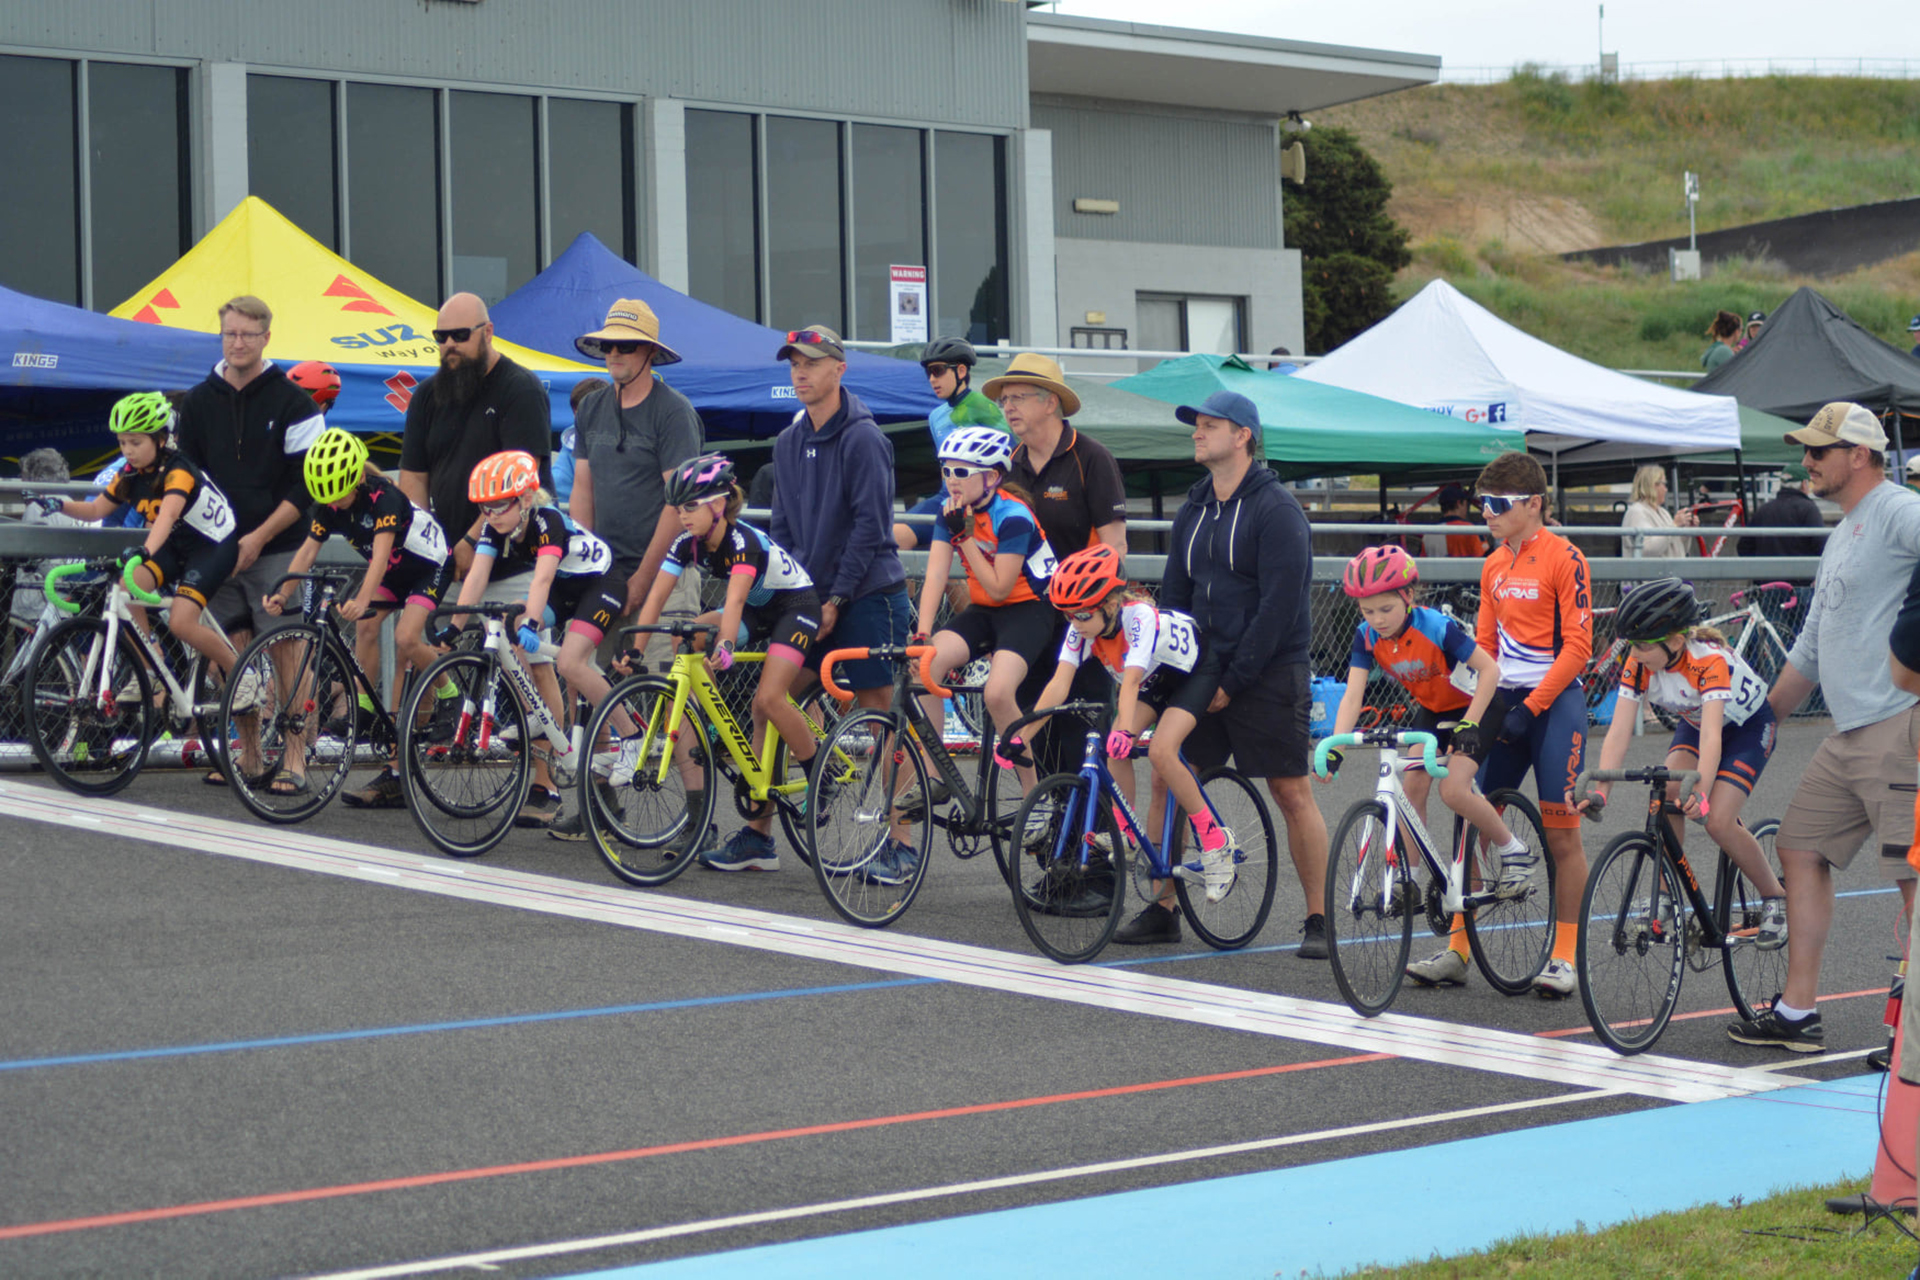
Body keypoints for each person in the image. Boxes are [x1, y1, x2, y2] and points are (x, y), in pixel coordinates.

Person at [1728, 402, 1920, 1053]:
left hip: (1899, 725)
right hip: (1849, 733)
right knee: (1800, 848)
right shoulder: (1842, 530)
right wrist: (1762, 717)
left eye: (1818, 451)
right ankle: (1795, 1013)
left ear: (1859, 454)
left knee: (1912, 877)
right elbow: (1811, 643)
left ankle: (1916, 1036)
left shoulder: (1897, 510)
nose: (1806, 462)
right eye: (1806, 450)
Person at [1157, 390, 1330, 957]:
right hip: (1203, 667)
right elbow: (1176, 594)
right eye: (1196, 425)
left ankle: (1318, 920)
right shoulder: (1193, 507)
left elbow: (1279, 608)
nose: (1197, 434)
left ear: (1243, 436)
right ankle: (1162, 906)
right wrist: (1173, 666)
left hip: (1269, 670)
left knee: (1290, 790)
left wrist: (1235, 680)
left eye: (1209, 426)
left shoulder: (1277, 510)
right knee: (1172, 772)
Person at [1321, 546, 1529, 986]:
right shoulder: (1365, 636)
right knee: (1411, 782)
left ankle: (1514, 851)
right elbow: (1353, 694)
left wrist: (1471, 723)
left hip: (1479, 703)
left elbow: (1489, 671)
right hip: (1433, 711)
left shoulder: (1436, 627)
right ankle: (1410, 879)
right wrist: (1335, 743)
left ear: (1409, 596)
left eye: (1385, 608)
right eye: (1366, 610)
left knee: (1453, 790)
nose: (1376, 618)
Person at [399, 292, 566, 825]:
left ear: (487, 332)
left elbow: (526, 478)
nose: (448, 346)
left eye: (459, 336)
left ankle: (544, 781)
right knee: (413, 642)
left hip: (513, 554)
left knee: (530, 664)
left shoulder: (519, 389)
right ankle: (407, 760)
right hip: (444, 553)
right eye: (440, 337)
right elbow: (412, 476)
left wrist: (474, 537)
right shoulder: (428, 394)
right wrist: (419, 535)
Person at [633, 454, 824, 873]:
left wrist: (725, 645)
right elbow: (655, 598)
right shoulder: (687, 542)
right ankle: (706, 725)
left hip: (795, 606)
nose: (682, 516)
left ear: (718, 505)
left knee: (769, 701)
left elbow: (734, 600)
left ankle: (819, 773)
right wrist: (636, 647)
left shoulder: (743, 541)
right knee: (688, 634)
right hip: (758, 612)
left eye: (690, 506)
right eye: (678, 507)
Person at [555, 303, 704, 841]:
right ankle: (601, 802)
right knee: (587, 677)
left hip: (666, 566)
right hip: (606, 567)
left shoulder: (673, 411)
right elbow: (583, 489)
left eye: (625, 346)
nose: (613, 354)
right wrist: (579, 561)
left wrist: (644, 579)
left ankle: (697, 815)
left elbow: (679, 501)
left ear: (648, 354)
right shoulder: (592, 408)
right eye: (608, 346)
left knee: (669, 692)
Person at [1577, 577, 1789, 947]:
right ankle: (1664, 898)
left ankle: (1776, 897)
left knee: (1719, 820)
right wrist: (1601, 790)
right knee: (1669, 788)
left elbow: (1712, 739)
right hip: (1697, 724)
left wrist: (1702, 793)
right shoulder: (1640, 661)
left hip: (1746, 728)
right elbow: (1619, 731)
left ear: (1675, 640)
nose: (1634, 652)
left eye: (1642, 644)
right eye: (1630, 643)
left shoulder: (1706, 661)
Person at [1030, 543, 1225, 943]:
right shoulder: (1082, 625)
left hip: (1192, 673)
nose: (1076, 622)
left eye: (1083, 613)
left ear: (1112, 603)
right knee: (1108, 747)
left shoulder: (1139, 618)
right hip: (1154, 682)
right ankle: (1127, 832)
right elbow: (1059, 684)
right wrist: (1019, 735)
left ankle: (1214, 838)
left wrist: (1124, 728)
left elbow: (1131, 681)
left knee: (1160, 750)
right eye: (1068, 614)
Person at [175, 296, 326, 783]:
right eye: (229, 333)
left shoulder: (295, 402)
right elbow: (187, 477)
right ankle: (251, 754)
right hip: (218, 548)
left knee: (287, 650)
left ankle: (297, 756)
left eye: (247, 334)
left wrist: (258, 537)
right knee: (232, 654)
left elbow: (307, 486)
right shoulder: (197, 402)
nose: (237, 342)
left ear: (266, 337)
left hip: (278, 548)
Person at [266, 428, 454, 805]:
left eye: (339, 495)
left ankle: (449, 692)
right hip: (394, 573)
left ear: (355, 479)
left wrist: (361, 598)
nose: (333, 505)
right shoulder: (329, 504)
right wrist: (283, 590)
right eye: (326, 499)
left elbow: (380, 556)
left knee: (405, 638)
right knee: (366, 628)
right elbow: (306, 553)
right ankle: (366, 707)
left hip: (427, 566)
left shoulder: (383, 497)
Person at [42, 392, 254, 720]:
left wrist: (143, 552)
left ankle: (244, 676)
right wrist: (61, 503)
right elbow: (98, 508)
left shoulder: (178, 470)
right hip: (176, 543)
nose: (127, 450)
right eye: (122, 442)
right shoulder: (129, 473)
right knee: (126, 590)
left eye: (135, 442)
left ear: (160, 439)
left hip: (210, 545)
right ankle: (150, 668)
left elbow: (167, 517)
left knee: (182, 622)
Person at [451, 450, 632, 818]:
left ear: (526, 498)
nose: (490, 515)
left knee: (569, 662)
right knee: (504, 620)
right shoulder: (494, 526)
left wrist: (533, 623)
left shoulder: (548, 521)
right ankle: (539, 711)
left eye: (499, 505)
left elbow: (543, 579)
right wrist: (453, 628)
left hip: (600, 583)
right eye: (484, 508)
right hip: (568, 587)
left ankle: (631, 736)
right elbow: (476, 576)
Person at [1472, 450, 1592, 998]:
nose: (1487, 515)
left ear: (1534, 504)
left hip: (1554, 703)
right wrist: (1475, 704)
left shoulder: (1565, 557)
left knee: (1561, 836)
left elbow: (1579, 648)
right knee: (1475, 820)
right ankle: (1456, 947)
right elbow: (1484, 646)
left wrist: (1531, 707)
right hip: (1506, 699)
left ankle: (1565, 957)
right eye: (1483, 505)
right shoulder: (1493, 562)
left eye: (1497, 505)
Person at [907, 427, 1058, 832]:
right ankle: (936, 775)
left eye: (960, 470)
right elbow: (936, 574)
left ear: (991, 476)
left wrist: (965, 537)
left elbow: (1000, 586)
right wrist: (922, 633)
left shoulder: (1014, 516)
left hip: (1030, 609)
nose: (950, 479)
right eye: (945, 470)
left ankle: (1035, 795)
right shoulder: (951, 511)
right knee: (925, 665)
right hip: (985, 610)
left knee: (997, 693)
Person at [768, 324, 912, 716]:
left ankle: (902, 781)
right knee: (771, 702)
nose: (800, 373)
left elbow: (870, 527)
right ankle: (820, 774)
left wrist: (836, 597)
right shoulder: (787, 443)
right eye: (795, 364)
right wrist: (792, 595)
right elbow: (780, 529)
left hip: (868, 593)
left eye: (812, 364)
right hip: (812, 595)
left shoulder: (863, 437)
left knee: (879, 712)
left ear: (840, 369)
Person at [988, 353, 1127, 563]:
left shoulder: (1092, 457)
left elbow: (1115, 545)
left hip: (1082, 592)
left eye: (1017, 397)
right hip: (1023, 594)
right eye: (1004, 399)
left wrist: (1096, 591)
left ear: (1051, 403)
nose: (1008, 407)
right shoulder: (1007, 463)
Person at [894, 336, 1007, 552]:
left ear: (961, 371)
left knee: (958, 564)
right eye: (928, 373)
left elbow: (1010, 456)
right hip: (946, 497)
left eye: (937, 371)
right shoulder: (935, 416)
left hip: (981, 500)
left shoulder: (983, 406)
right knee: (893, 541)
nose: (932, 379)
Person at [1737, 464, 1825, 561]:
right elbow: (1822, 547)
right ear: (1804, 484)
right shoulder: (1809, 509)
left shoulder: (1764, 510)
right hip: (1800, 574)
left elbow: (1744, 547)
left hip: (1765, 574)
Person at [553, 376, 611, 511]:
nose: (584, 419)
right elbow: (555, 486)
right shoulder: (571, 444)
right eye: (578, 413)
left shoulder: (627, 442)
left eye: (591, 412)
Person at [1621, 464, 1698, 559]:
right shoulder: (1637, 512)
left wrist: (1687, 528)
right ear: (1653, 485)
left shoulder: (1663, 512)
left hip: (1671, 571)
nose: (1666, 489)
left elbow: (1676, 547)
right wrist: (1674, 526)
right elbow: (1647, 549)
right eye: (1664, 484)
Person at [1420, 483, 1490, 559]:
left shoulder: (1429, 534)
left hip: (1437, 571)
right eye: (1466, 504)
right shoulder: (1471, 531)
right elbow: (1483, 559)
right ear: (1459, 503)